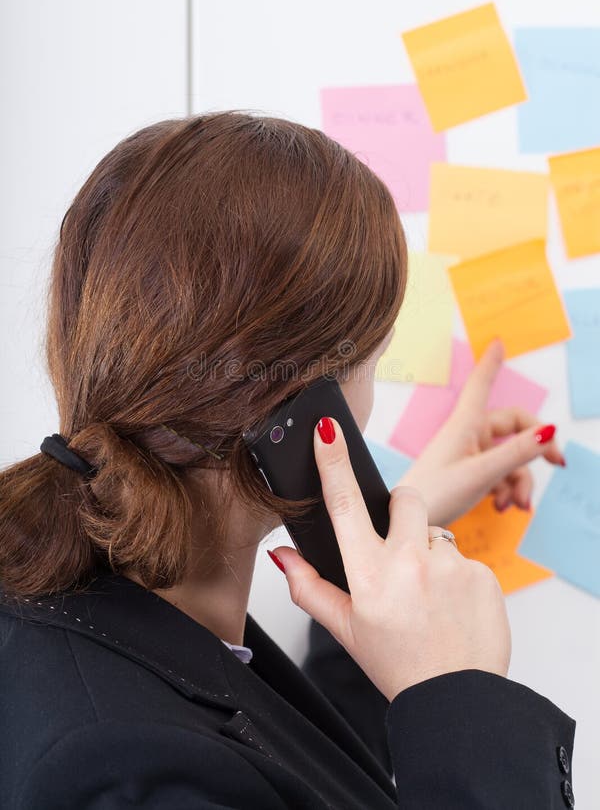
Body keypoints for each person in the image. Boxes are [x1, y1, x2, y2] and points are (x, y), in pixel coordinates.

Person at [0, 112, 576, 809]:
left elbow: (287, 772)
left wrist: (384, 535)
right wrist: (462, 699)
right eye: (375, 363)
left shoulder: (88, 616)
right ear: (307, 412)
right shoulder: (119, 774)